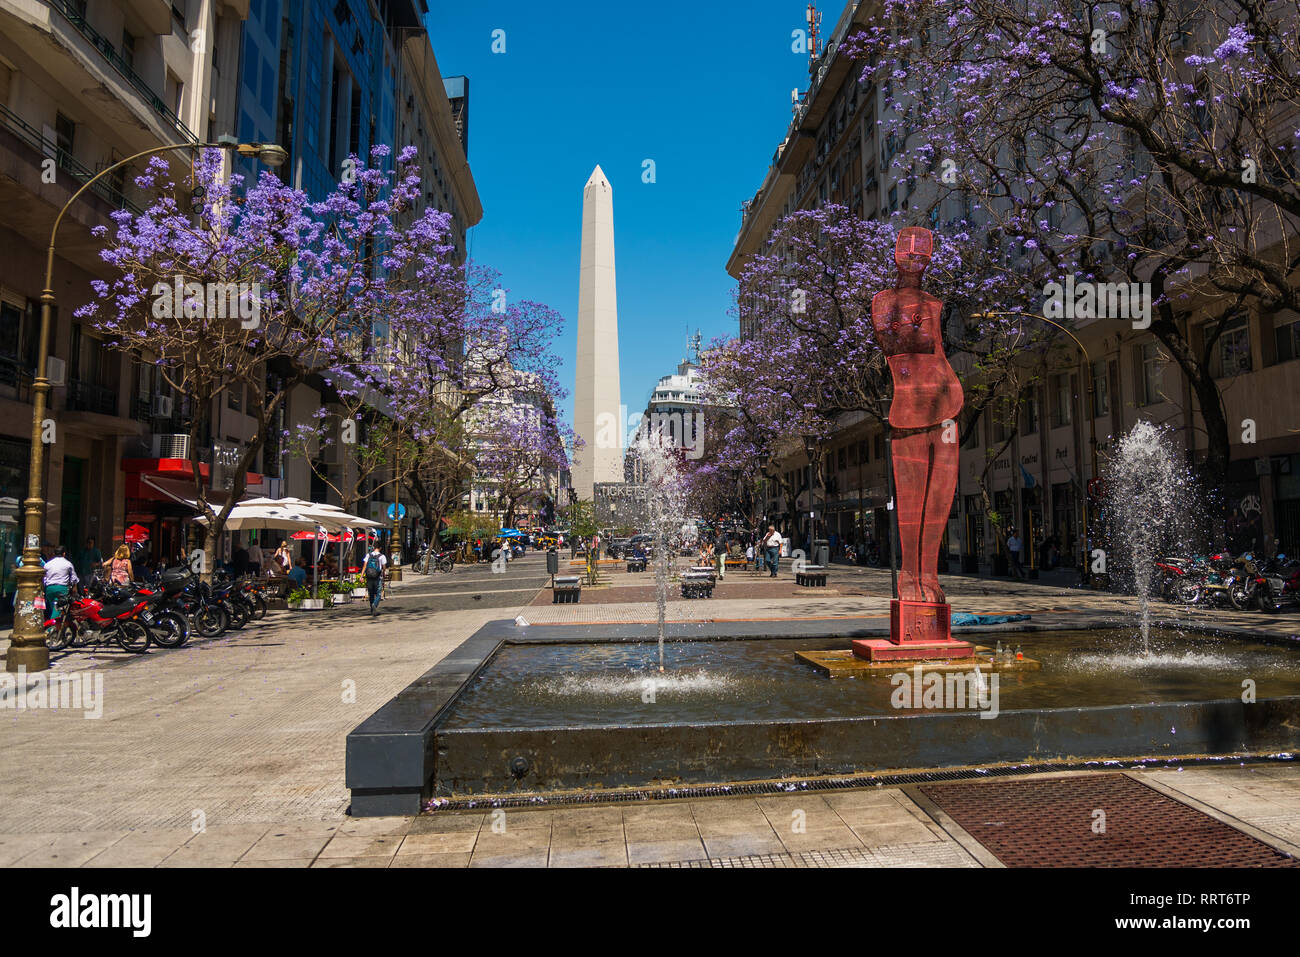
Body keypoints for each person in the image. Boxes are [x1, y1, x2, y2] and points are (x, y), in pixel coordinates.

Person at [43, 544, 79, 614]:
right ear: (64, 554)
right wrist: (75, 590)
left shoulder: (48, 564)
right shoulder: (68, 564)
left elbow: (44, 577)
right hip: (61, 590)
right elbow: (74, 579)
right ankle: (53, 624)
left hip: (49, 590)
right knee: (57, 611)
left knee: (53, 609)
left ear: (54, 553)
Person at [363, 544, 388, 615]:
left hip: (369, 577)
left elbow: (364, 566)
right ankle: (374, 605)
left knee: (371, 593)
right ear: (380, 548)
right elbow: (384, 567)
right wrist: (383, 573)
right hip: (377, 577)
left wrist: (361, 576)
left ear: (373, 547)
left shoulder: (368, 555)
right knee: (378, 593)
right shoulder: (382, 556)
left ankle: (372, 609)